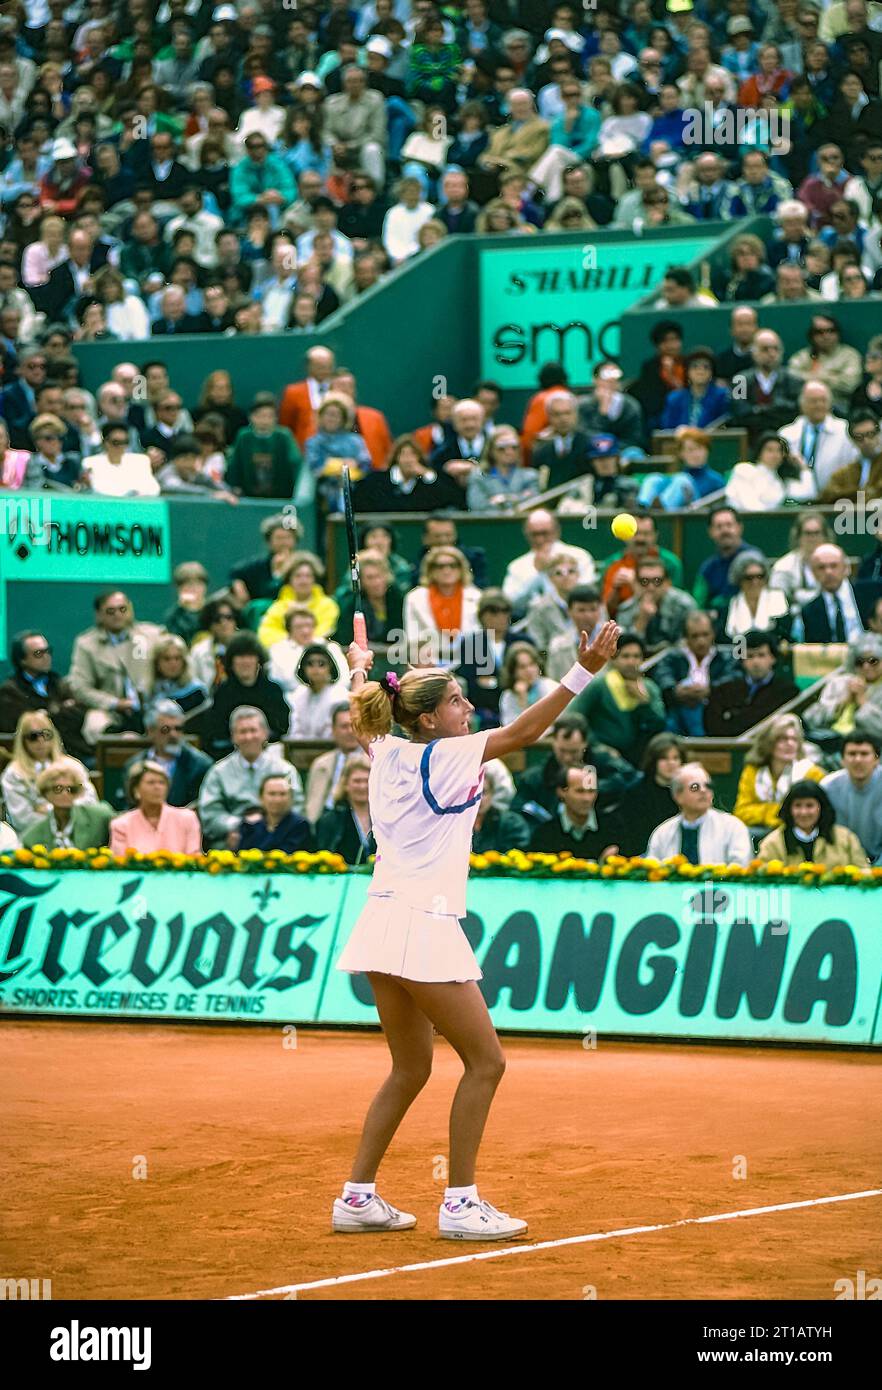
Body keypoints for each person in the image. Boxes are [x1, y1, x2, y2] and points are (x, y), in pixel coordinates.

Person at [331, 613, 620, 1238]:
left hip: (382, 924)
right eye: (458, 701)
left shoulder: (384, 752)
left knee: (410, 1068)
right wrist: (584, 671)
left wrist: (359, 665)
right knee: (486, 1063)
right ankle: (460, 1203)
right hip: (424, 926)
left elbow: (364, 717)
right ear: (429, 717)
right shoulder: (443, 752)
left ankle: (357, 1197)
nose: (468, 708)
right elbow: (523, 731)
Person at [198, 706, 302, 850]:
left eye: (253, 731)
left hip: (278, 840)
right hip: (232, 841)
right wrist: (239, 826)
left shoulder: (284, 770)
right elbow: (210, 814)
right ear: (233, 736)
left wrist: (268, 829)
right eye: (242, 732)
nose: (248, 737)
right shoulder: (218, 772)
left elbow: (297, 807)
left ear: (265, 734)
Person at [67, 590, 162, 743]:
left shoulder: (152, 635)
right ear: (99, 615)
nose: (117, 615)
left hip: (151, 704)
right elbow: (80, 688)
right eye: (110, 611)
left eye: (122, 609)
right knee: (94, 725)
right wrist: (115, 703)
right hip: (109, 709)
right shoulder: (86, 644)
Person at [571, 633, 665, 767]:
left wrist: (643, 702)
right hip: (602, 757)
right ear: (613, 659)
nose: (631, 662)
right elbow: (574, 717)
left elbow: (659, 723)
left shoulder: (649, 688)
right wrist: (596, 745)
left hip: (639, 757)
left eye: (636, 656)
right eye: (625, 656)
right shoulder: (599, 685)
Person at [1, 711, 97, 834]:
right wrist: (61, 818)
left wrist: (51, 809)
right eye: (33, 736)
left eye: (46, 734)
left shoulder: (73, 766)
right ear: (23, 740)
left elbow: (91, 802)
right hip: (33, 839)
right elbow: (22, 819)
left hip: (77, 833)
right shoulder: (14, 773)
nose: (41, 741)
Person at [0, 630, 88, 759]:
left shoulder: (58, 683)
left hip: (73, 751)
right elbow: (29, 727)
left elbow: (80, 714)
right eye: (38, 653)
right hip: (33, 757)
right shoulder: (10, 691)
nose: (46, 656)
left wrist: (47, 713)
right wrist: (62, 709)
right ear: (22, 660)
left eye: (48, 651)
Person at [200, 633, 290, 757]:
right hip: (229, 753)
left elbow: (281, 728)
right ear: (231, 662)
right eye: (240, 656)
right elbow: (215, 730)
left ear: (259, 660)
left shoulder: (272, 690)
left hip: (268, 752)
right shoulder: (222, 691)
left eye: (250, 656)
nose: (245, 661)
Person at [646, 762, 753, 865]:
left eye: (708, 786)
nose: (703, 790)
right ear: (678, 795)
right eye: (695, 787)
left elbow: (740, 870)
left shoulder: (733, 827)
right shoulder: (662, 833)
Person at [654, 611, 739, 738]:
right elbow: (663, 677)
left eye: (705, 635)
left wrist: (710, 689)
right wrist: (676, 690)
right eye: (695, 636)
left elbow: (733, 678)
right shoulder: (673, 657)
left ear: (713, 634)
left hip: (714, 709)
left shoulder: (726, 657)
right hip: (679, 709)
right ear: (686, 638)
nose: (701, 641)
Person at [733, 715, 825, 832]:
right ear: (768, 743)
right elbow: (741, 811)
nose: (790, 743)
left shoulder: (812, 774)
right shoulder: (752, 771)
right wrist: (775, 813)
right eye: (783, 739)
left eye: (794, 739)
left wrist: (761, 811)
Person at [120, 700, 212, 811]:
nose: (173, 735)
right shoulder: (133, 765)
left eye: (178, 729)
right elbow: (128, 806)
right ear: (150, 731)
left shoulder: (200, 765)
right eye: (165, 729)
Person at [705, 631, 799, 738]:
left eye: (761, 655)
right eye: (750, 656)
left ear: (773, 658)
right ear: (742, 661)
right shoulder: (724, 691)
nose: (756, 662)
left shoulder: (788, 692)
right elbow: (714, 728)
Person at [756, 779, 868, 868]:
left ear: (821, 808)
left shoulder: (846, 839)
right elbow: (762, 881)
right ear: (789, 809)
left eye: (809, 806)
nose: (803, 812)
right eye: (798, 806)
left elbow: (864, 874)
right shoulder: (772, 843)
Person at [403, 546, 482, 661]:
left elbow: (480, 635)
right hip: (430, 661)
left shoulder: (476, 596)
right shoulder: (415, 598)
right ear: (430, 570)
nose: (447, 570)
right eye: (440, 566)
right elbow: (413, 637)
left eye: (453, 565)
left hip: (468, 659)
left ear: (461, 569)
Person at [613, 733, 685, 857]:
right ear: (654, 761)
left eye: (675, 758)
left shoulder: (686, 790)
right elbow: (629, 833)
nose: (671, 763)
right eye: (664, 758)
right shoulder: (635, 791)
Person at [779, 381, 859, 494]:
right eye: (813, 401)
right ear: (802, 404)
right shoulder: (786, 434)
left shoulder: (845, 431)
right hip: (795, 500)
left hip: (835, 499)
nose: (819, 405)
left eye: (823, 400)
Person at [803, 633, 882, 745]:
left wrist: (863, 704)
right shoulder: (838, 683)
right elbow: (811, 720)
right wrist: (842, 703)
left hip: (872, 749)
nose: (866, 666)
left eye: (873, 661)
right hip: (829, 743)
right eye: (859, 662)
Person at [225, 392, 305, 500]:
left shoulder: (284, 436)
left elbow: (296, 463)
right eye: (260, 416)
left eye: (269, 416)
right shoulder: (243, 436)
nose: (265, 421)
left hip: (281, 498)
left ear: (275, 418)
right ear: (251, 417)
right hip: (249, 497)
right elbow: (233, 465)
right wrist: (234, 487)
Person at [110, 760, 201, 854]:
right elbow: (120, 864)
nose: (157, 787)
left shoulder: (187, 819)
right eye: (151, 782)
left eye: (162, 783)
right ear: (136, 790)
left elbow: (194, 861)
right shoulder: (121, 825)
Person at [528, 764, 620, 857]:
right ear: (561, 792)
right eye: (580, 791)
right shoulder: (545, 835)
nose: (587, 798)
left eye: (591, 791)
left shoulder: (614, 829)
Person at [21, 759, 114, 851]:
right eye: (58, 789)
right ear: (45, 793)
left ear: (79, 793)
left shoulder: (101, 816)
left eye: (71, 790)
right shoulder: (32, 837)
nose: (65, 794)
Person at [796, 544, 882, 643]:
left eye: (834, 566)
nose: (828, 572)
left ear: (846, 568)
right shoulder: (809, 611)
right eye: (821, 567)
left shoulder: (873, 591)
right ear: (813, 573)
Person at [614, 558, 696, 656]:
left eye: (657, 581)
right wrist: (641, 621)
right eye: (644, 581)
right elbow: (626, 652)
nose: (651, 587)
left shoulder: (684, 605)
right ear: (635, 583)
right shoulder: (626, 610)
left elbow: (692, 643)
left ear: (667, 583)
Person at [258, 552, 340, 648]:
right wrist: (291, 642)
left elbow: (325, 630)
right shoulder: (278, 607)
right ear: (290, 580)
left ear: (314, 579)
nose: (303, 581)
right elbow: (265, 633)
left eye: (308, 576)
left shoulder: (328, 605)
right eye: (298, 576)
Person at [821, 733, 882, 862]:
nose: (858, 760)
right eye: (852, 754)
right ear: (842, 759)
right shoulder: (828, 787)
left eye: (864, 754)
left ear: (876, 759)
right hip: (842, 861)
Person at [725, 432, 817, 511]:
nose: (775, 455)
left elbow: (809, 495)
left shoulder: (781, 481)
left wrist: (804, 468)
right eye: (770, 450)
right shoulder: (745, 470)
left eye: (779, 451)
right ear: (759, 452)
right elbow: (749, 505)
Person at [335, 550, 405, 648]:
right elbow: (346, 640)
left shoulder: (399, 601)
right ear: (361, 581)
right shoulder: (352, 606)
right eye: (370, 578)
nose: (376, 582)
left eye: (379, 576)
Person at [304, 703, 362, 823]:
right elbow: (312, 807)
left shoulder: (372, 761)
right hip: (326, 822)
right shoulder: (321, 764)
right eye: (344, 726)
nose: (350, 731)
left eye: (354, 725)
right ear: (333, 730)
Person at [315, 753, 377, 865]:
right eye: (357, 781)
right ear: (346, 784)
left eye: (366, 780)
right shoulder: (329, 821)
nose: (362, 786)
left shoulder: (386, 818)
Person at [723, 551, 791, 643]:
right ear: (739, 579)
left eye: (760, 576)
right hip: (739, 653)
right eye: (749, 577)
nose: (755, 582)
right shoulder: (730, 606)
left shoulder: (778, 599)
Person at [466, 427, 539, 511]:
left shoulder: (530, 476)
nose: (509, 452)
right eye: (502, 448)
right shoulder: (478, 476)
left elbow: (534, 503)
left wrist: (503, 499)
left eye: (514, 447)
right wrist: (519, 497)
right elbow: (478, 506)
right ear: (491, 450)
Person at [692, 508, 750, 614]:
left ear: (739, 528)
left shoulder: (753, 560)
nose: (725, 531)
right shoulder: (707, 568)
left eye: (729, 525)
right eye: (719, 527)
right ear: (710, 532)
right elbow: (698, 605)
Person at [238, 772, 313, 853]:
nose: (277, 800)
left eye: (282, 794)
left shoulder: (300, 825)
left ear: (291, 798)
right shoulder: (251, 824)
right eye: (272, 794)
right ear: (261, 797)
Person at [81, 420, 159, 497]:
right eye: (116, 442)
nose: (121, 446)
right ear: (105, 443)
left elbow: (153, 489)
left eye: (125, 442)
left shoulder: (140, 461)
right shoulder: (90, 463)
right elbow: (97, 490)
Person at [769, 514, 829, 612]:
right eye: (808, 533)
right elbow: (776, 603)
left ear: (825, 536)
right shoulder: (783, 567)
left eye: (817, 533)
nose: (812, 538)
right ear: (798, 537)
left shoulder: (836, 563)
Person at [290, 644, 349, 739]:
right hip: (302, 749)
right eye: (310, 664)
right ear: (303, 669)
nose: (315, 669)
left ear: (330, 668)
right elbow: (296, 731)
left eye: (321, 664)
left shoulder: (339, 695)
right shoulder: (299, 694)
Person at [498, 643, 558, 732]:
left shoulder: (550, 687)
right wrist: (522, 698)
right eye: (522, 667)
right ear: (513, 672)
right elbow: (511, 729)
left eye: (532, 664)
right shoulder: (508, 696)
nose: (529, 670)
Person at [146, 635, 208, 718]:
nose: (173, 664)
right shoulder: (151, 691)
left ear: (184, 661)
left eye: (177, 658)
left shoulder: (197, 691)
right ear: (156, 662)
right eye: (167, 658)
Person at [471, 777, 530, 853]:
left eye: (484, 792)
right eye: (473, 793)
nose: (478, 799)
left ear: (492, 794)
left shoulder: (511, 822)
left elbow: (518, 855)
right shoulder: (458, 824)